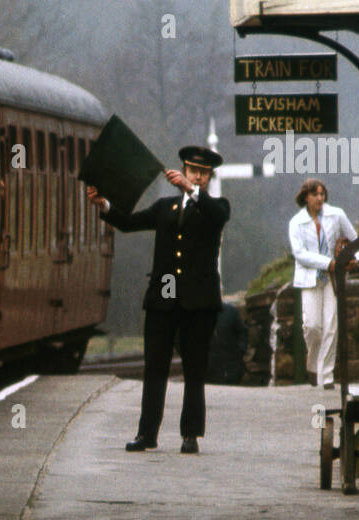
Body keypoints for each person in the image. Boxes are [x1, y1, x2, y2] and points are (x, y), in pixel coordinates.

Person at [87, 145, 230, 454]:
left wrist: (191, 190)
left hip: (199, 300)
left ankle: (190, 434)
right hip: (164, 294)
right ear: (184, 169)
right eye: (193, 171)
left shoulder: (216, 206)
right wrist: (105, 205)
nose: (197, 176)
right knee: (155, 367)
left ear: (208, 177)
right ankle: (146, 433)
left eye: (203, 173)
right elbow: (128, 223)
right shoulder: (165, 207)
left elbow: (215, 215)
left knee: (194, 368)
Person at [288, 179, 359, 388]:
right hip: (310, 277)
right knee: (312, 326)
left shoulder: (336, 214)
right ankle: (312, 364)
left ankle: (326, 376)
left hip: (332, 278)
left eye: (322, 194)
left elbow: (354, 239)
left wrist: (357, 260)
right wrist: (328, 263)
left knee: (331, 325)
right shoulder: (296, 222)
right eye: (315, 194)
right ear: (306, 197)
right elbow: (300, 254)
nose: (320, 198)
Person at [207, 300, 248, 385]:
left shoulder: (230, 311)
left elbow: (242, 331)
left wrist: (241, 349)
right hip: (207, 368)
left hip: (231, 364)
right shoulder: (197, 314)